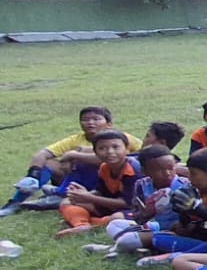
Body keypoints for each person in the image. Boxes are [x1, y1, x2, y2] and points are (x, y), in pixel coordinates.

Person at [3, 107, 142, 217]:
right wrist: (32, 176)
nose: (90, 123)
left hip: (112, 181)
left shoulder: (120, 138)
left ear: (109, 124)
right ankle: (17, 201)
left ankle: (60, 194)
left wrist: (75, 154)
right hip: (86, 181)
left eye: (96, 119)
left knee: (83, 162)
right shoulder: (75, 139)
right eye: (85, 119)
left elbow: (142, 155)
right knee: (48, 162)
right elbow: (42, 154)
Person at [85, 145, 190, 258]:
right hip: (157, 227)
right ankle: (141, 248)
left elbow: (191, 221)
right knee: (114, 224)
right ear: (144, 171)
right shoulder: (142, 185)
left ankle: (112, 249)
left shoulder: (185, 186)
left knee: (128, 239)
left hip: (176, 232)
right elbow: (138, 219)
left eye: (171, 168)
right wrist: (147, 213)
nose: (167, 173)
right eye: (159, 170)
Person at [54, 131, 142, 238]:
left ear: (126, 149)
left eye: (115, 147)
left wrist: (88, 197)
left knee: (116, 218)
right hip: (110, 206)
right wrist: (81, 194)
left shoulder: (133, 170)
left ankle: (93, 224)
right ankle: (82, 225)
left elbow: (127, 203)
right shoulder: (104, 167)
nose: (110, 152)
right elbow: (101, 191)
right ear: (95, 152)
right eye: (102, 148)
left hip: (135, 210)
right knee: (67, 201)